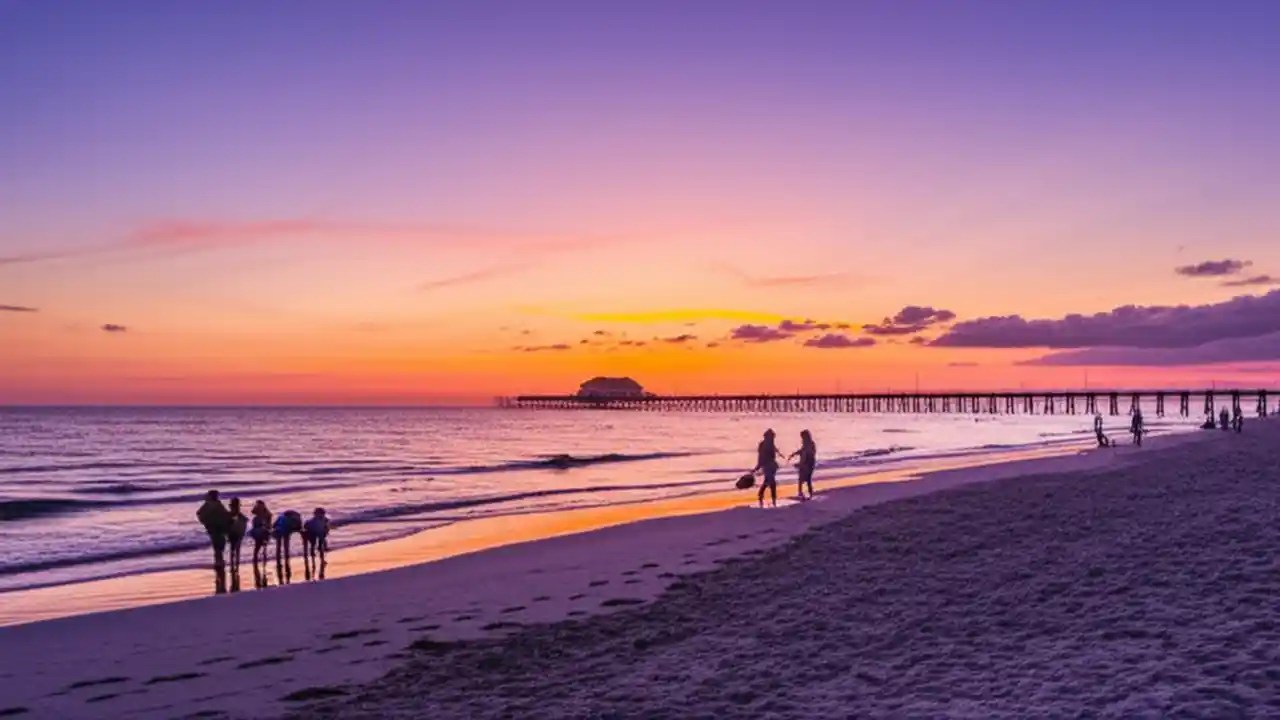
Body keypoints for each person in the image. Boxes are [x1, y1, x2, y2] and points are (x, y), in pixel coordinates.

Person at [195, 490, 232, 593]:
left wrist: (206, 522)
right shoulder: (211, 505)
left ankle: (219, 561)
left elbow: (200, 514)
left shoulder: (213, 504)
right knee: (218, 545)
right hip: (215, 528)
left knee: (219, 545)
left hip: (216, 528)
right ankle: (218, 561)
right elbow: (200, 514)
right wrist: (207, 522)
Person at [752, 429, 785, 508]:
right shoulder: (763, 445)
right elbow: (761, 456)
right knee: (772, 483)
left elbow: (775, 450)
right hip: (767, 466)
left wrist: (779, 454)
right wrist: (758, 466)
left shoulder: (770, 444)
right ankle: (772, 500)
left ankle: (761, 495)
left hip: (772, 466)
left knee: (767, 481)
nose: (773, 438)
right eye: (772, 436)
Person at [273, 509, 303, 583]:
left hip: (282, 530)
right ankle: (284, 558)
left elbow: (274, 525)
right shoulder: (287, 517)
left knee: (281, 545)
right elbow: (298, 526)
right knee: (283, 545)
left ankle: (280, 559)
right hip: (282, 530)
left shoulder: (285, 517)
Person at [302, 508, 331, 579]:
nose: (321, 515)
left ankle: (321, 559)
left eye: (322, 514)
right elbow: (306, 526)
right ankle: (314, 559)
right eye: (319, 514)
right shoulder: (313, 521)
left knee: (321, 545)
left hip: (320, 534)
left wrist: (325, 533)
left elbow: (326, 528)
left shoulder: (325, 520)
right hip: (312, 533)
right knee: (314, 545)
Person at [249, 500, 273, 588]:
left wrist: (265, 527)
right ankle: (256, 557)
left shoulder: (267, 514)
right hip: (258, 530)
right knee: (258, 545)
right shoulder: (259, 514)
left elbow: (269, 525)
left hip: (264, 531)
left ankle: (261, 558)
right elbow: (253, 512)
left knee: (262, 545)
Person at [788, 430, 817, 500]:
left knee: (806, 479)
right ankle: (802, 493)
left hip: (808, 463)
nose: (802, 438)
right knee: (803, 479)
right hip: (807, 463)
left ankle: (807, 494)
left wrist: (802, 463)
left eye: (802, 436)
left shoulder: (810, 444)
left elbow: (808, 454)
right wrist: (794, 454)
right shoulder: (807, 443)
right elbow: (802, 451)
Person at [227, 498, 248, 576]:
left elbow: (245, 521)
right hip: (232, 533)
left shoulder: (239, 515)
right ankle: (233, 565)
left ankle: (236, 565)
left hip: (238, 533)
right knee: (233, 550)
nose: (235, 508)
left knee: (236, 549)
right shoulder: (230, 515)